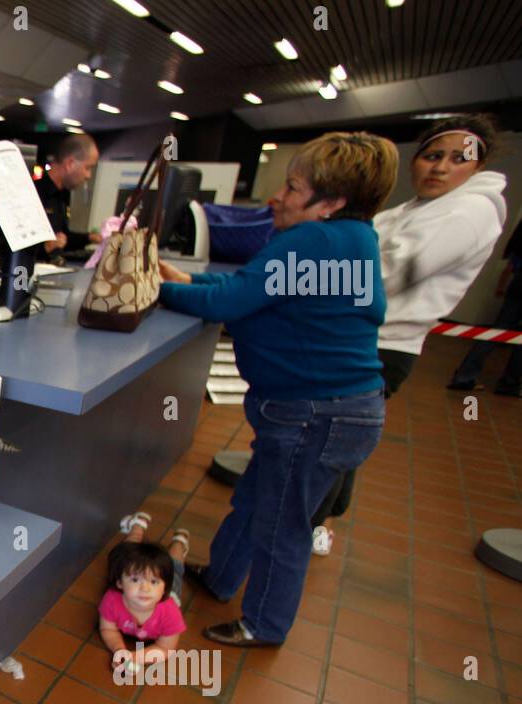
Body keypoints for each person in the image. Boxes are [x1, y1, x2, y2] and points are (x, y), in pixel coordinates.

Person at [158, 132, 399, 647]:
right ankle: (221, 577)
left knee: (280, 525)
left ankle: (263, 624)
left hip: (314, 414)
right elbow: (252, 290)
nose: (278, 197)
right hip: (337, 411)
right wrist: (184, 280)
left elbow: (229, 305)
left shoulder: (314, 240)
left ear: (330, 202)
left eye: (292, 187)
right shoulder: (355, 238)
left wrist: (151, 288)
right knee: (256, 500)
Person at [311, 114, 507, 555]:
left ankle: (305, 527)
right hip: (361, 338)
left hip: (383, 346)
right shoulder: (410, 210)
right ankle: (318, 520)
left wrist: (301, 282)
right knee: (339, 435)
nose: (440, 167)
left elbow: (385, 274)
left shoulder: (472, 212)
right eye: (432, 156)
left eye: (458, 159)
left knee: (330, 441)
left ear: (477, 167)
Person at [98, 511, 190, 671]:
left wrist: (133, 657)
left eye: (153, 582)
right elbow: (107, 628)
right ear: (119, 583)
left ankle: (179, 542)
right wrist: (119, 650)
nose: (145, 588)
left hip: (169, 593)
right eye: (135, 580)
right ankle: (137, 527)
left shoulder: (170, 613)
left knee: (175, 566)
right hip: (156, 585)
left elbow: (166, 648)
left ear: (163, 587)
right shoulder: (111, 600)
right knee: (127, 553)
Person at [449, 219, 522, 396]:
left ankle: (464, 377)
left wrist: (501, 286)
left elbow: (512, 264)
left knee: (498, 330)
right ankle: (509, 384)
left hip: (518, 284)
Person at [35, 133, 100, 260]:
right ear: (70, 163)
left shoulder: (63, 195)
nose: (88, 175)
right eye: (88, 168)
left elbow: (62, 238)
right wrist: (44, 248)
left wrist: (89, 238)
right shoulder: (34, 193)